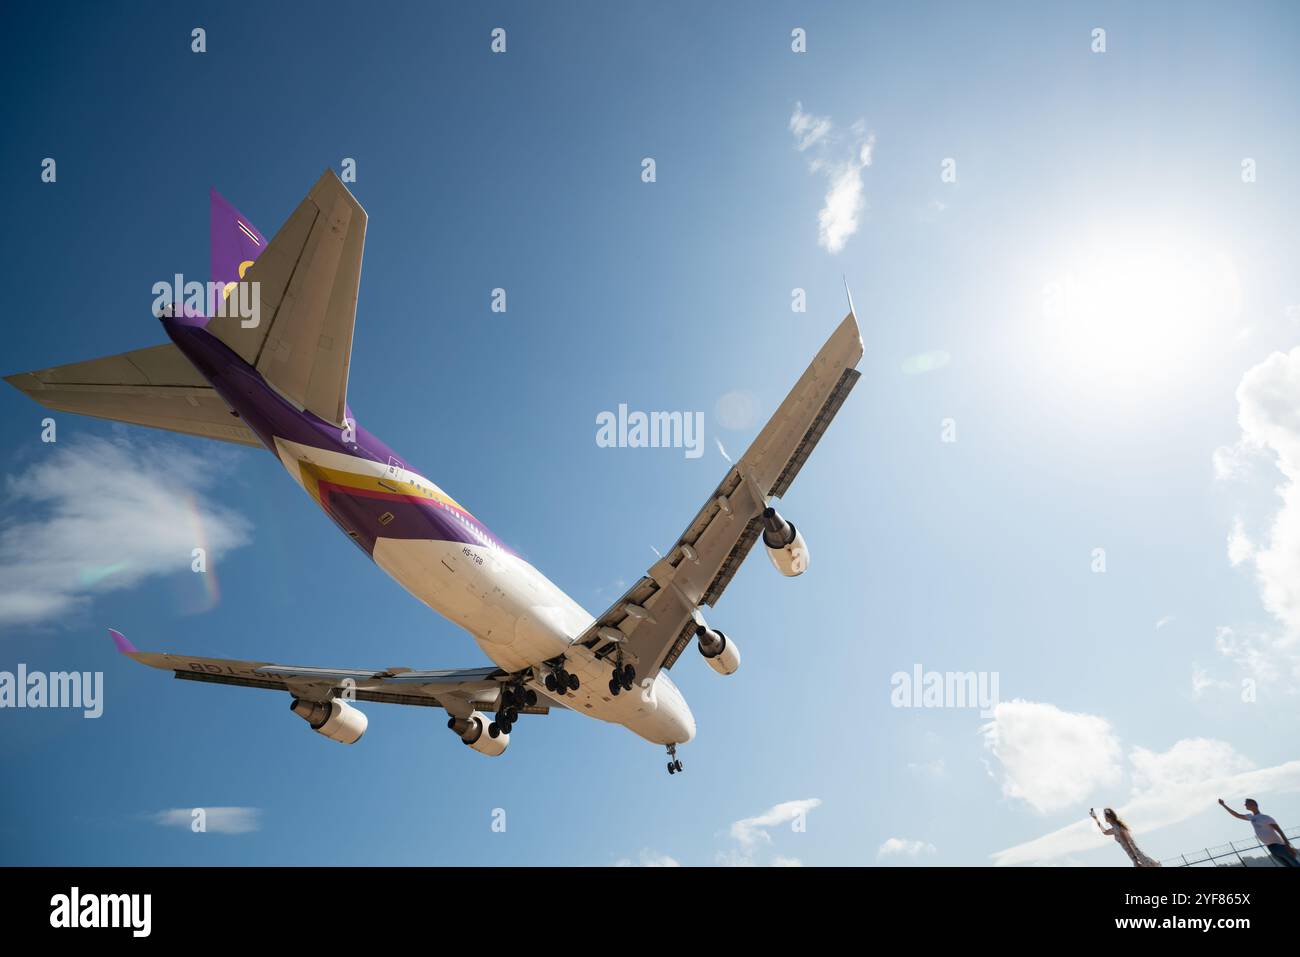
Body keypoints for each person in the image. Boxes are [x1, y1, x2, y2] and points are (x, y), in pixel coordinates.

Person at [1219, 798, 1299, 867]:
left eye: (1246, 803)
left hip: (1279, 846)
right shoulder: (1251, 817)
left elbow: (1279, 830)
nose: (1245, 805)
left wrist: (1287, 845)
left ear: (1253, 804)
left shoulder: (1265, 817)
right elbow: (1236, 815)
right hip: (1270, 847)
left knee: (1295, 864)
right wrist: (1223, 805)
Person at [1091, 807, 1161, 867]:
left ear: (1109, 817)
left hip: (1137, 856)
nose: (1104, 818)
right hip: (1134, 856)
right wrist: (1096, 819)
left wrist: (1136, 859)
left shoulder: (1118, 828)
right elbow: (1105, 832)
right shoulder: (1115, 828)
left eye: (1104, 816)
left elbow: (1128, 843)